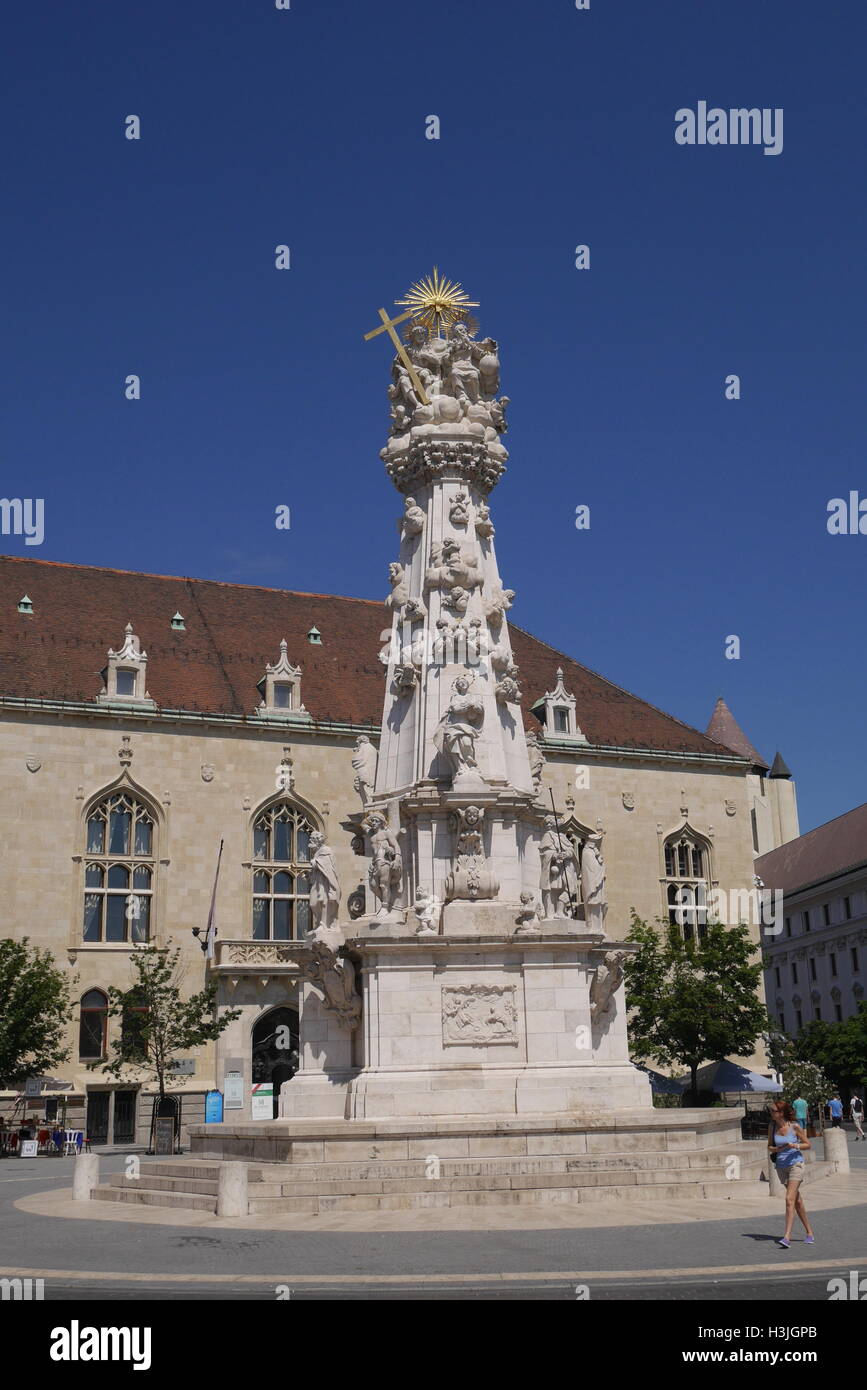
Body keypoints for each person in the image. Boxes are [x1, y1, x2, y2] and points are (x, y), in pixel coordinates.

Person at [768, 1100, 814, 1248]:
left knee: (789, 1199)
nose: (771, 1113)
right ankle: (809, 1232)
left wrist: (795, 1145)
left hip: (796, 1164)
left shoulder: (794, 1126)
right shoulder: (772, 1126)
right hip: (781, 1166)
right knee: (797, 1200)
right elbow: (769, 1146)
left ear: (781, 1112)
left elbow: (808, 1144)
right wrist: (778, 1149)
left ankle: (787, 1237)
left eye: (774, 1110)